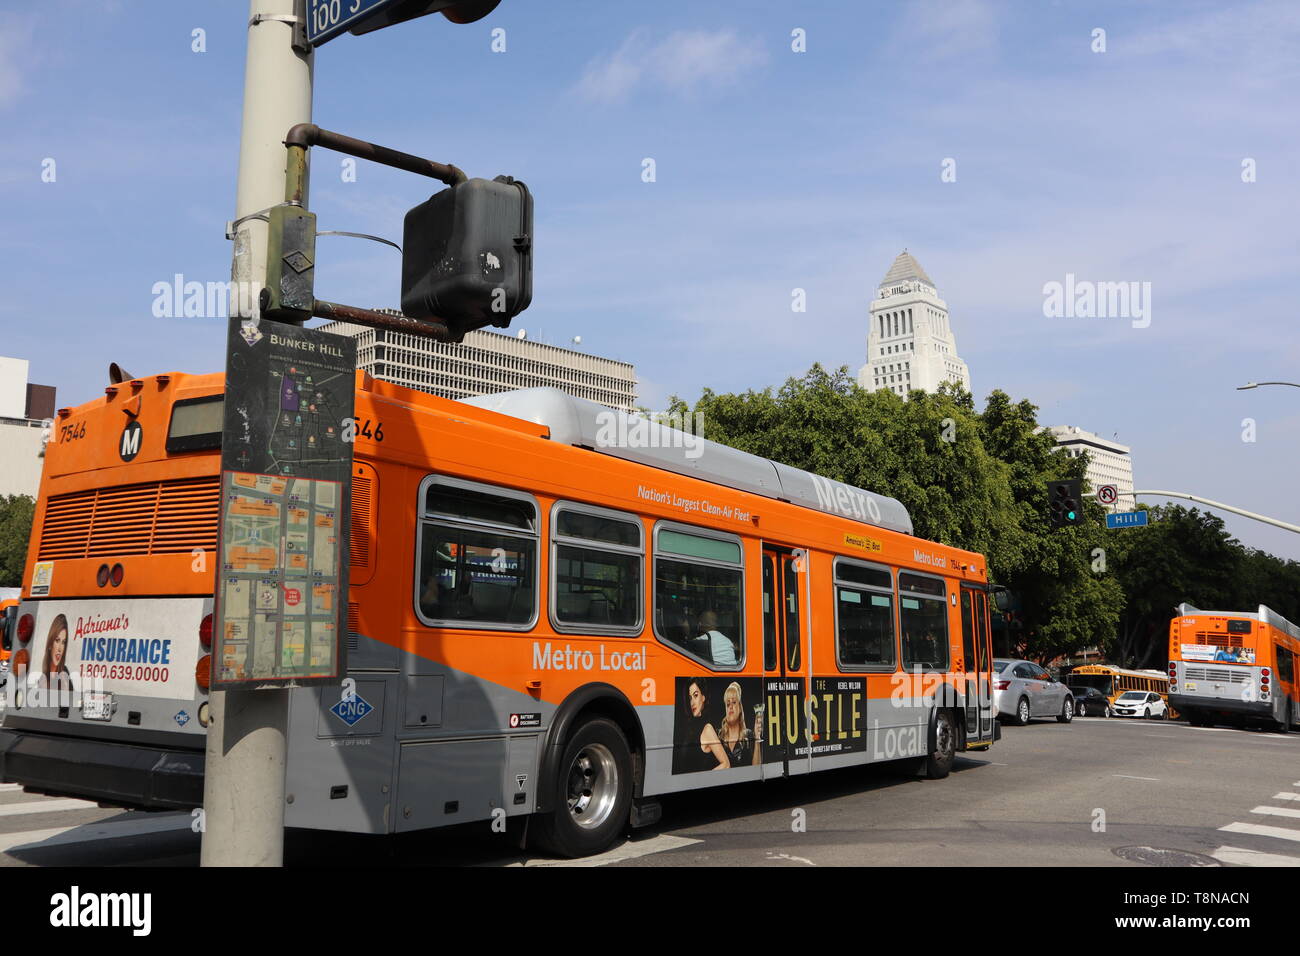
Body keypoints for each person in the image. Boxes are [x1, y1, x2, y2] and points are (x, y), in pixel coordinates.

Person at [676, 679, 728, 772]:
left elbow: (726, 765)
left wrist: (703, 779)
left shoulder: (707, 729)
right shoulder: (687, 729)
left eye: (695, 695)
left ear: (703, 697)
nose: (692, 703)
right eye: (689, 698)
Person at [716, 681, 761, 767]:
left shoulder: (749, 735)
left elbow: (756, 769)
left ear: (740, 708)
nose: (730, 707)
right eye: (727, 704)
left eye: (734, 702)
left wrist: (757, 738)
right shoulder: (718, 735)